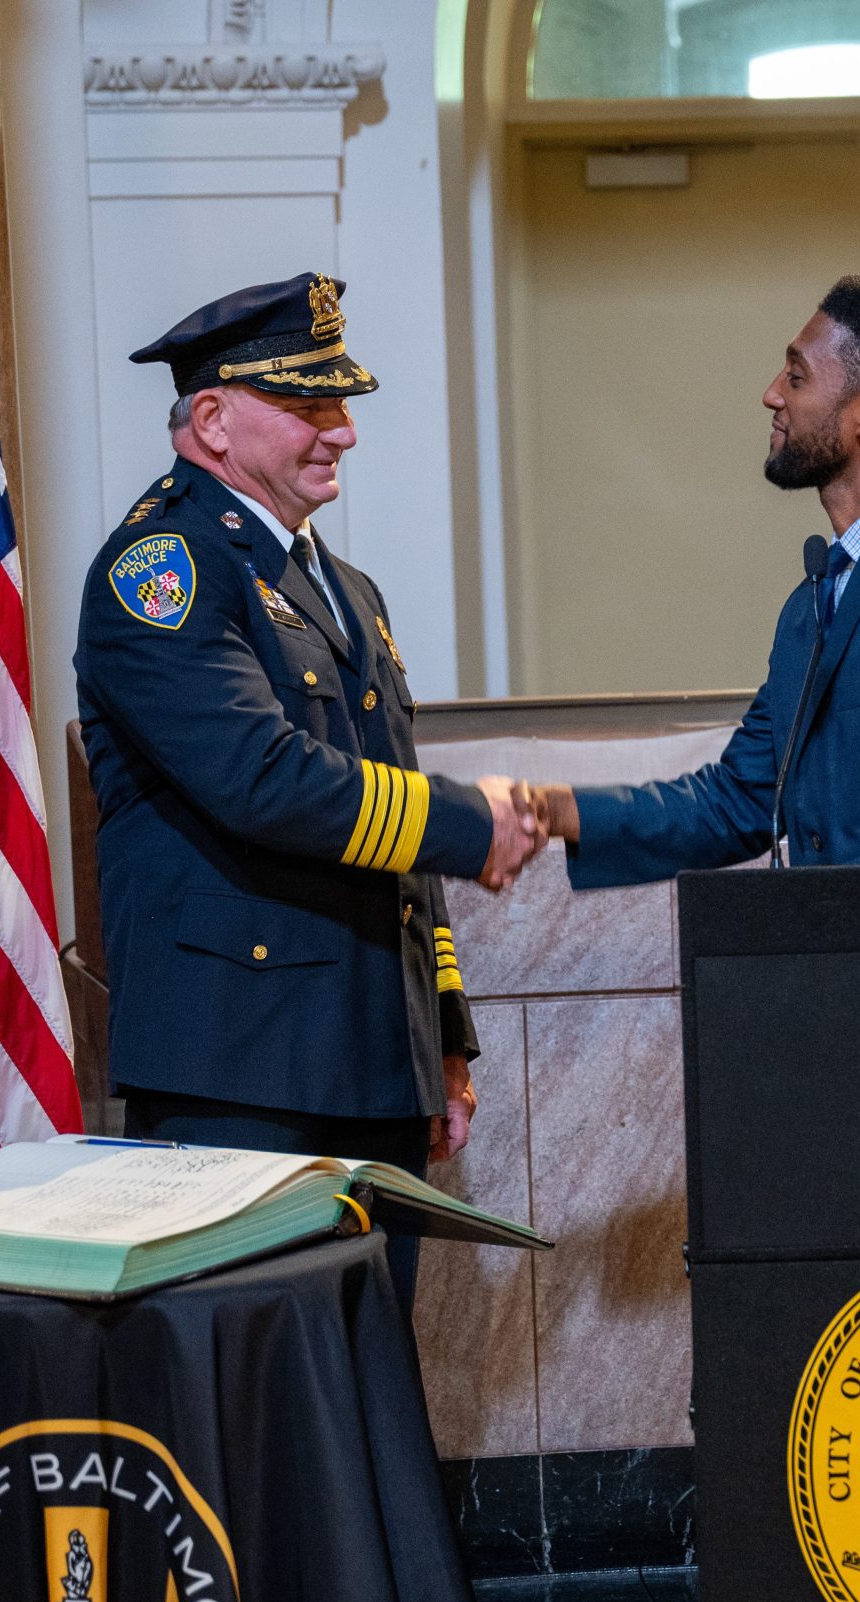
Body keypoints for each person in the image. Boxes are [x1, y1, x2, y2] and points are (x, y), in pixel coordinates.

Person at [74, 273, 543, 1307]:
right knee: (251, 1394)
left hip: (369, 1058)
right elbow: (263, 780)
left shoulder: (344, 588)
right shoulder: (162, 570)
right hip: (240, 1074)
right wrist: (476, 821)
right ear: (211, 419)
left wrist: (441, 1036)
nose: (342, 432)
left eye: (343, 404)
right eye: (308, 405)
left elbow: (388, 807)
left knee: (363, 1379)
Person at [520, 274, 860, 878]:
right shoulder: (815, 601)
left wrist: (815, 915)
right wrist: (558, 812)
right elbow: (734, 803)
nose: (771, 395)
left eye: (796, 376)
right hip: (823, 966)